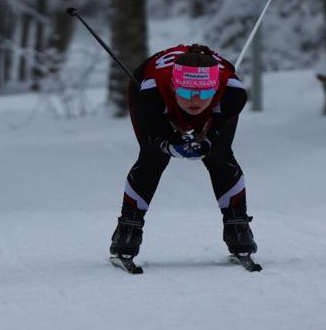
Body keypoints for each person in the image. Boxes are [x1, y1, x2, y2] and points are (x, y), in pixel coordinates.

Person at [109, 43, 257, 265]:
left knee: (219, 154)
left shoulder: (233, 93)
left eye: (204, 92)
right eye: (187, 91)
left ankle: (238, 228)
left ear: (216, 88)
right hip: (154, 91)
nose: (195, 100)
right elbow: (157, 138)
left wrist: (205, 138)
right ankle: (128, 230)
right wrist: (169, 144)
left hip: (212, 100)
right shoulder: (151, 92)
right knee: (153, 156)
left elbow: (213, 136)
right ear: (174, 85)